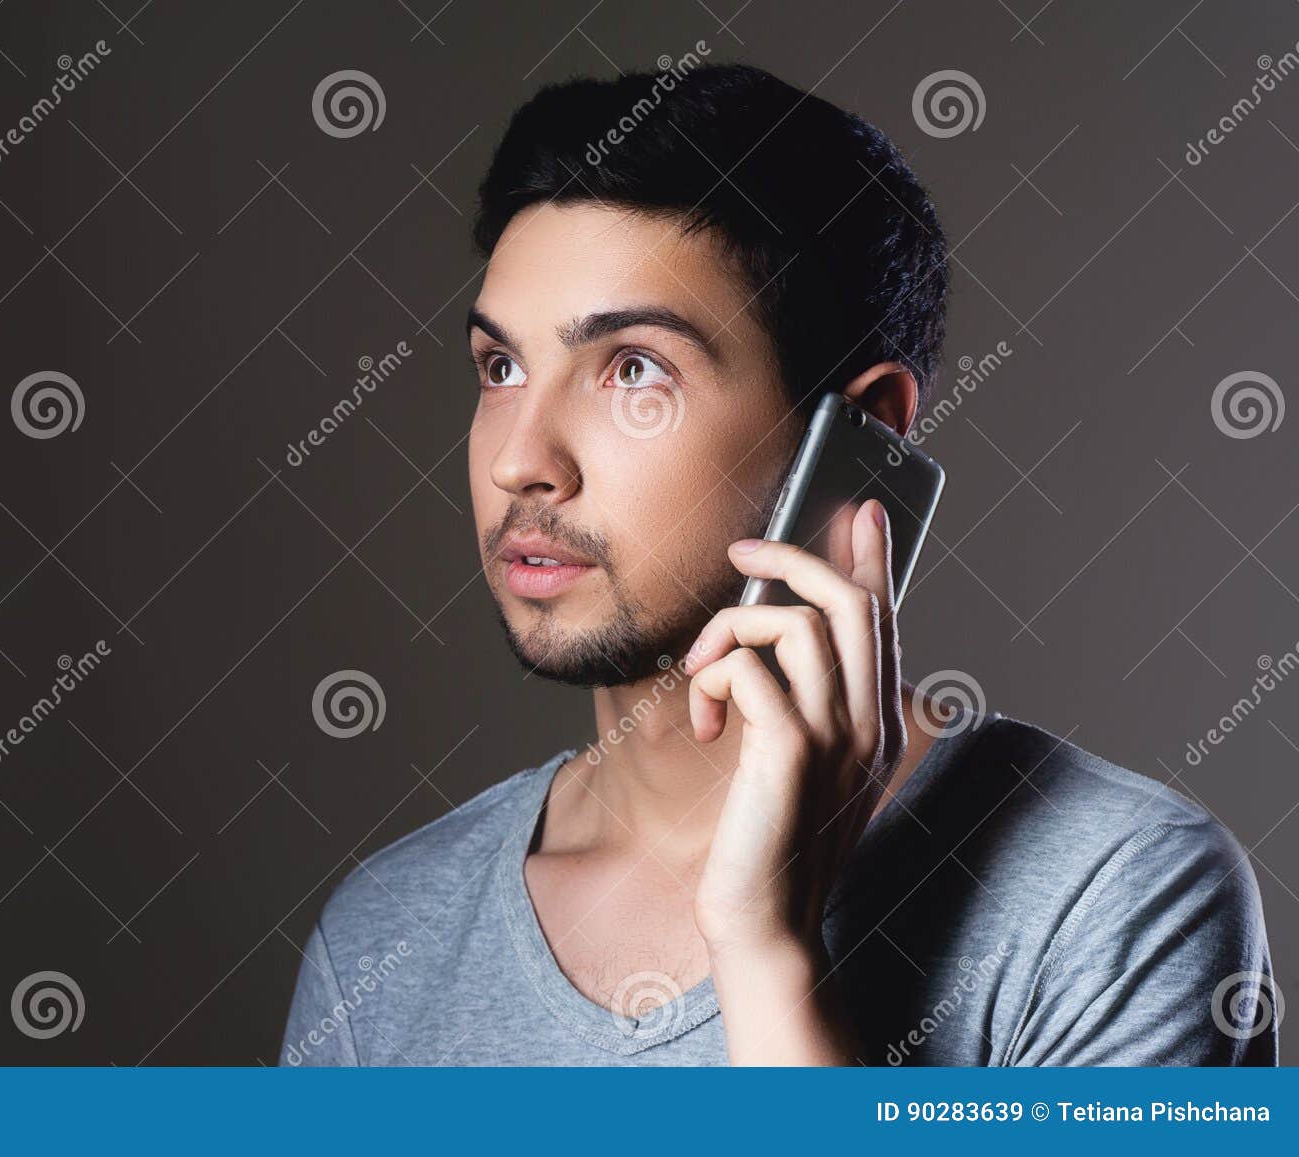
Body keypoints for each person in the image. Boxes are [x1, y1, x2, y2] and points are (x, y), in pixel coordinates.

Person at [281, 63, 1277, 1065]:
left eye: (633, 369)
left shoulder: (1121, 897)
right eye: (500, 368)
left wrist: (767, 951)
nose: (518, 461)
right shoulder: (384, 941)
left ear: (860, 437)